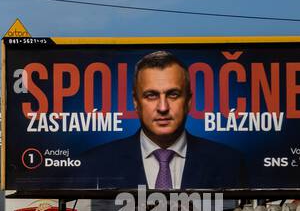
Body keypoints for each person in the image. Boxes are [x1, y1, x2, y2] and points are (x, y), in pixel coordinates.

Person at [83, 50, 247, 190]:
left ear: (188, 101)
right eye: (151, 95)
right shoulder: (96, 163)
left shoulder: (230, 162)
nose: (162, 107)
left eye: (173, 94)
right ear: (135, 102)